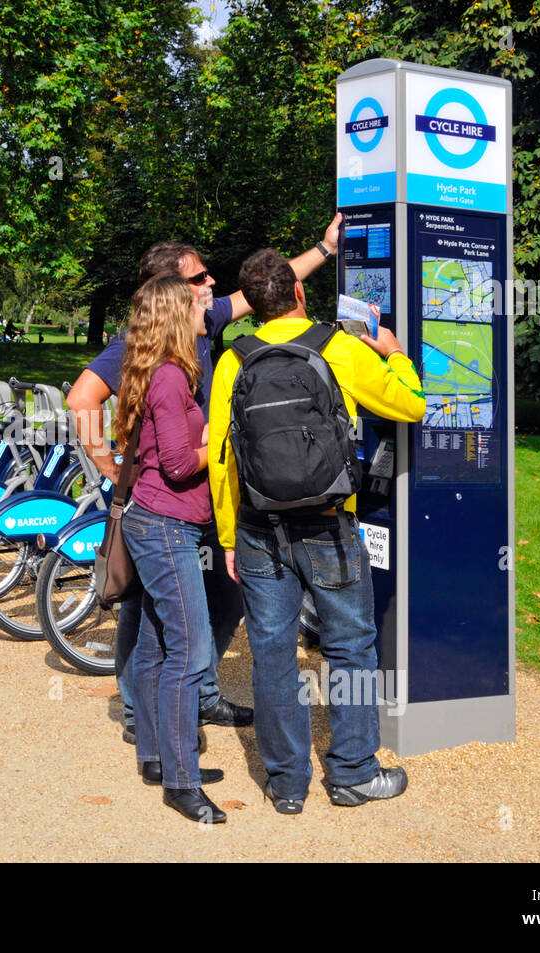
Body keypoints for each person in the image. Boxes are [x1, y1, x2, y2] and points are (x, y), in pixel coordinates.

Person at [66, 215, 342, 744]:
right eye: (199, 279)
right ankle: (138, 713)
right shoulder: (138, 341)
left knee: (225, 594)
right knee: (144, 608)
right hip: (164, 499)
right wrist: (109, 468)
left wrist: (324, 249)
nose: (211, 286)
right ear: (170, 291)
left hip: (211, 493)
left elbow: (262, 291)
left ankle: (199, 694)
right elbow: (81, 401)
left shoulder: (201, 318)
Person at [208, 249, 425, 814]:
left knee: (272, 651)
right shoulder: (339, 348)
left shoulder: (235, 360)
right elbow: (410, 406)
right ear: (300, 294)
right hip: (329, 525)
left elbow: (220, 457)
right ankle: (352, 772)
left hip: (257, 526)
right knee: (350, 647)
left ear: (250, 309)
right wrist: (396, 353)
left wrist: (229, 537)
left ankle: (286, 783)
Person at [116, 274, 226, 823]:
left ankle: (159, 757)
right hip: (165, 524)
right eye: (195, 304)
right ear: (175, 315)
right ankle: (182, 782)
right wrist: (222, 440)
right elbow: (181, 465)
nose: (204, 311)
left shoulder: (160, 372)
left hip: (158, 521)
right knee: (191, 650)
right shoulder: (168, 379)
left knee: (161, 646)